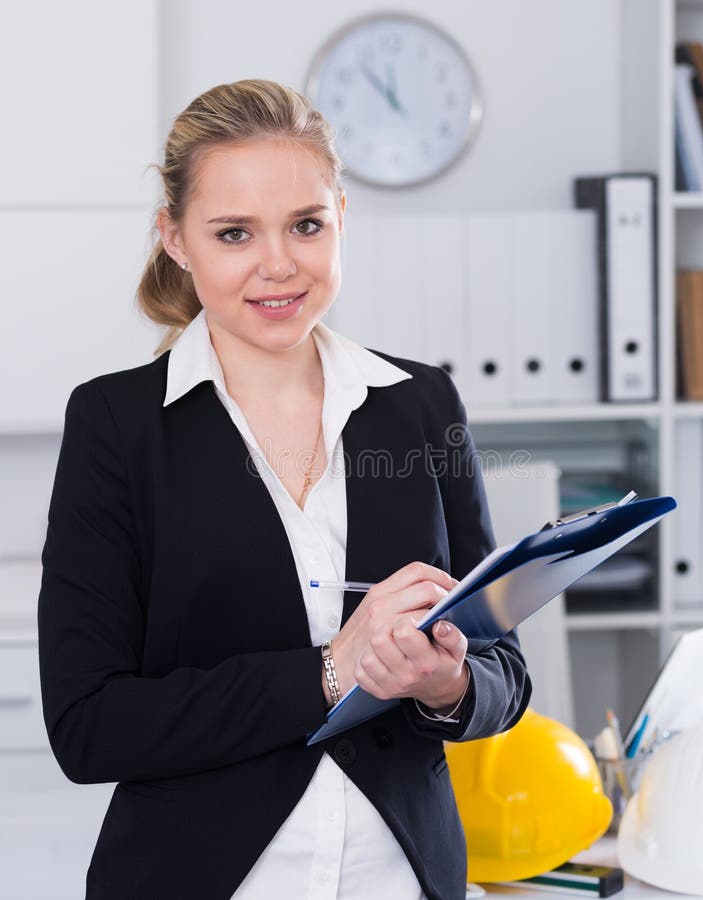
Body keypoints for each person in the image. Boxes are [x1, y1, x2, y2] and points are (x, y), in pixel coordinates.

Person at [37, 79, 530, 900]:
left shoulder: (419, 403)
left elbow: (502, 671)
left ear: (341, 215)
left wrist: (447, 684)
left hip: (401, 877)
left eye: (306, 225)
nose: (278, 264)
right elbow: (89, 728)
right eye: (234, 233)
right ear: (176, 240)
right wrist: (332, 672)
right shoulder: (116, 424)